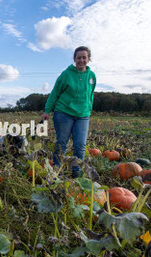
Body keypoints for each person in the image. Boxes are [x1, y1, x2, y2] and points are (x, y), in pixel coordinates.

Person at [41, 46, 96, 178]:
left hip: (82, 115)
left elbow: (91, 94)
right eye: (79, 57)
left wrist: (88, 109)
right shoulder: (66, 74)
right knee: (62, 143)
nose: (81, 60)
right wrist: (47, 110)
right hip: (64, 113)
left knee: (80, 145)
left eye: (84, 57)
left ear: (88, 59)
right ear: (74, 59)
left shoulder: (92, 76)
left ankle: (76, 172)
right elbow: (55, 93)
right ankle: (56, 171)